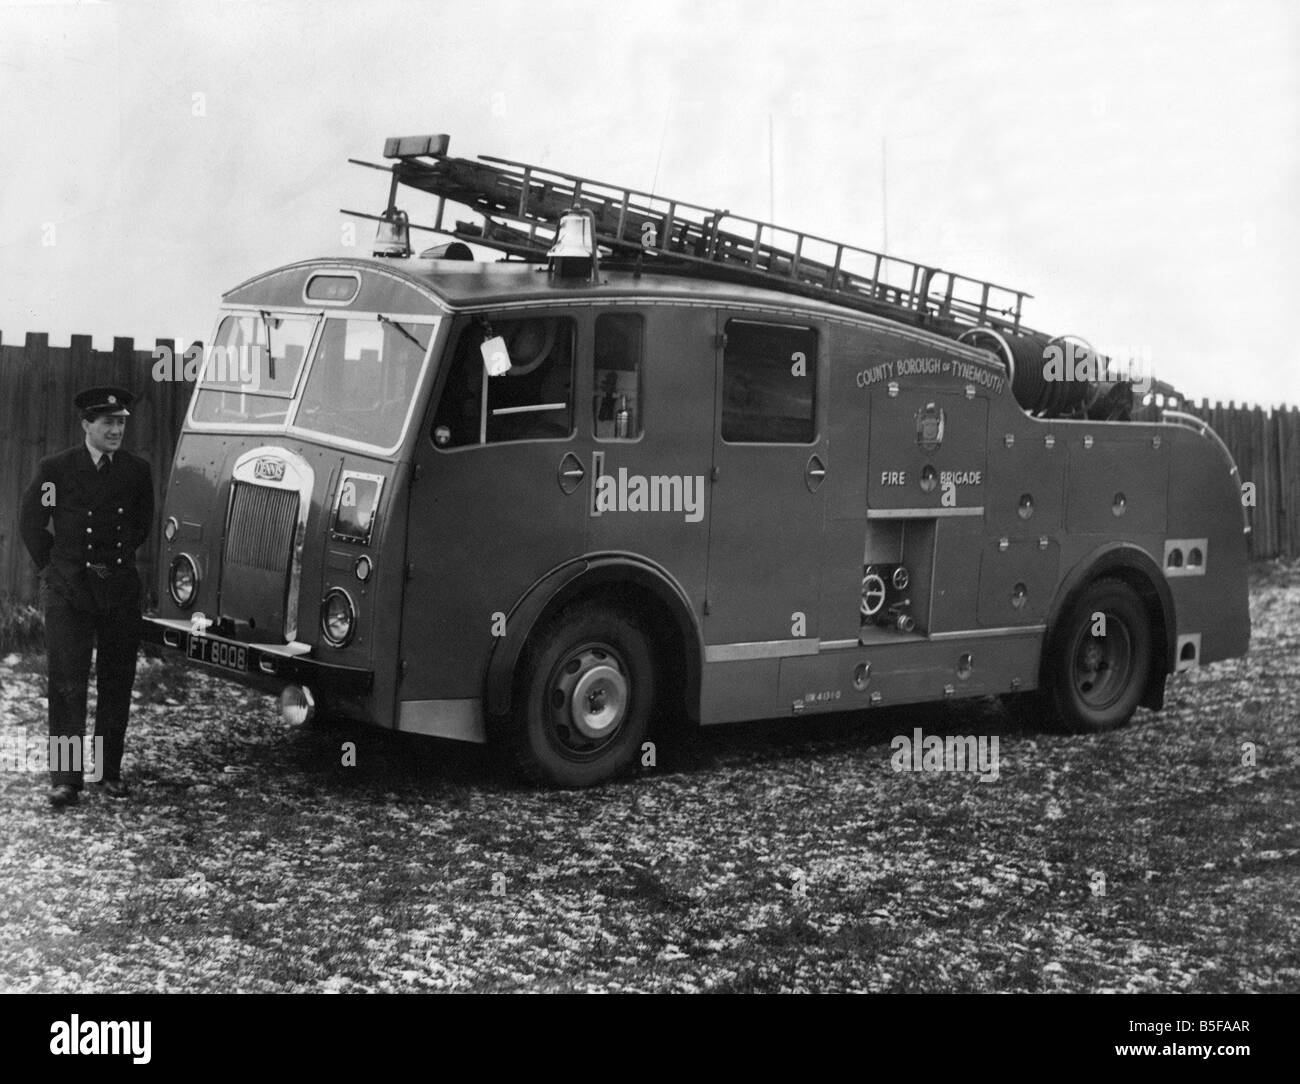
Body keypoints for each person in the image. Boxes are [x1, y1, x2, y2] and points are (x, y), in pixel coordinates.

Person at [19, 386, 155, 807]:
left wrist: (112, 565)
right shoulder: (56, 469)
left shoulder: (136, 471)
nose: (115, 430)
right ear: (86, 425)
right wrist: (54, 570)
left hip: (117, 592)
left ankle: (107, 771)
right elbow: (32, 524)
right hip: (69, 593)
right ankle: (66, 779)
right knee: (66, 686)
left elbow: (140, 524)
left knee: (117, 683)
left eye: (120, 423)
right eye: (107, 423)